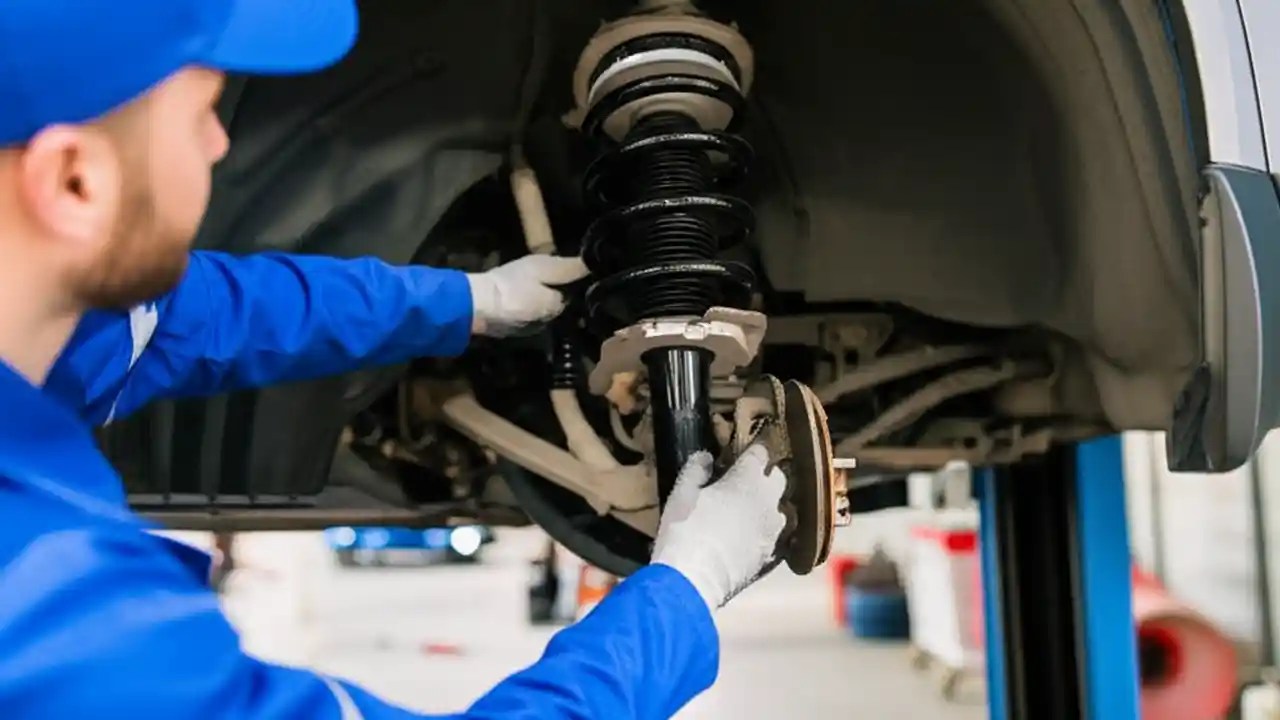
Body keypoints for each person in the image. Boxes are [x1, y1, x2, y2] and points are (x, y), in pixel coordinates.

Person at [0, 1, 792, 718]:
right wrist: (682, 596)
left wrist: (470, 301)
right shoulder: (56, 624)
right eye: (201, 112)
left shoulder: (63, 336)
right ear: (74, 180)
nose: (217, 142)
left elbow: (196, 315)